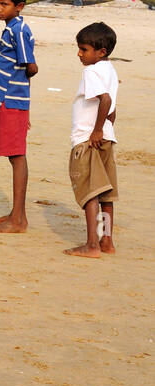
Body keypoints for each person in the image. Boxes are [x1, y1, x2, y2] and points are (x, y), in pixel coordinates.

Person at [0, 0, 38, 233]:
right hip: (7, 98)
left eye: (3, 4)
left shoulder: (19, 30)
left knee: (17, 156)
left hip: (13, 99)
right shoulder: (11, 28)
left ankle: (18, 220)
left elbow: (31, 65)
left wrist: (19, 90)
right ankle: (17, 214)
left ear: (19, 6)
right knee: (12, 154)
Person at [65, 22, 119, 258]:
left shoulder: (91, 71)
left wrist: (96, 131)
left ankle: (91, 244)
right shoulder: (111, 70)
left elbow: (105, 100)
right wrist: (106, 129)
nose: (79, 54)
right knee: (107, 193)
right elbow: (113, 109)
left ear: (101, 52)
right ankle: (107, 240)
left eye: (83, 49)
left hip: (89, 139)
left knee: (90, 192)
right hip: (106, 137)